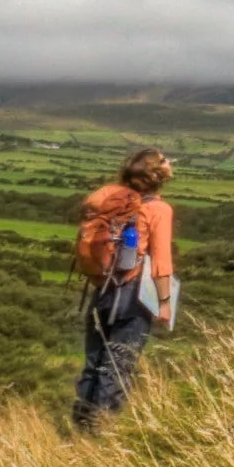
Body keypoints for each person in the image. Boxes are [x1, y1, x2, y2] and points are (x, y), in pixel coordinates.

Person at [71, 145, 178, 431]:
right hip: (131, 295)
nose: (170, 162)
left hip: (101, 289)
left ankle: (81, 429)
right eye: (165, 160)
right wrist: (165, 303)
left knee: (94, 363)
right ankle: (102, 434)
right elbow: (161, 263)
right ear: (156, 173)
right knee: (118, 365)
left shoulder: (114, 202)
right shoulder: (158, 209)